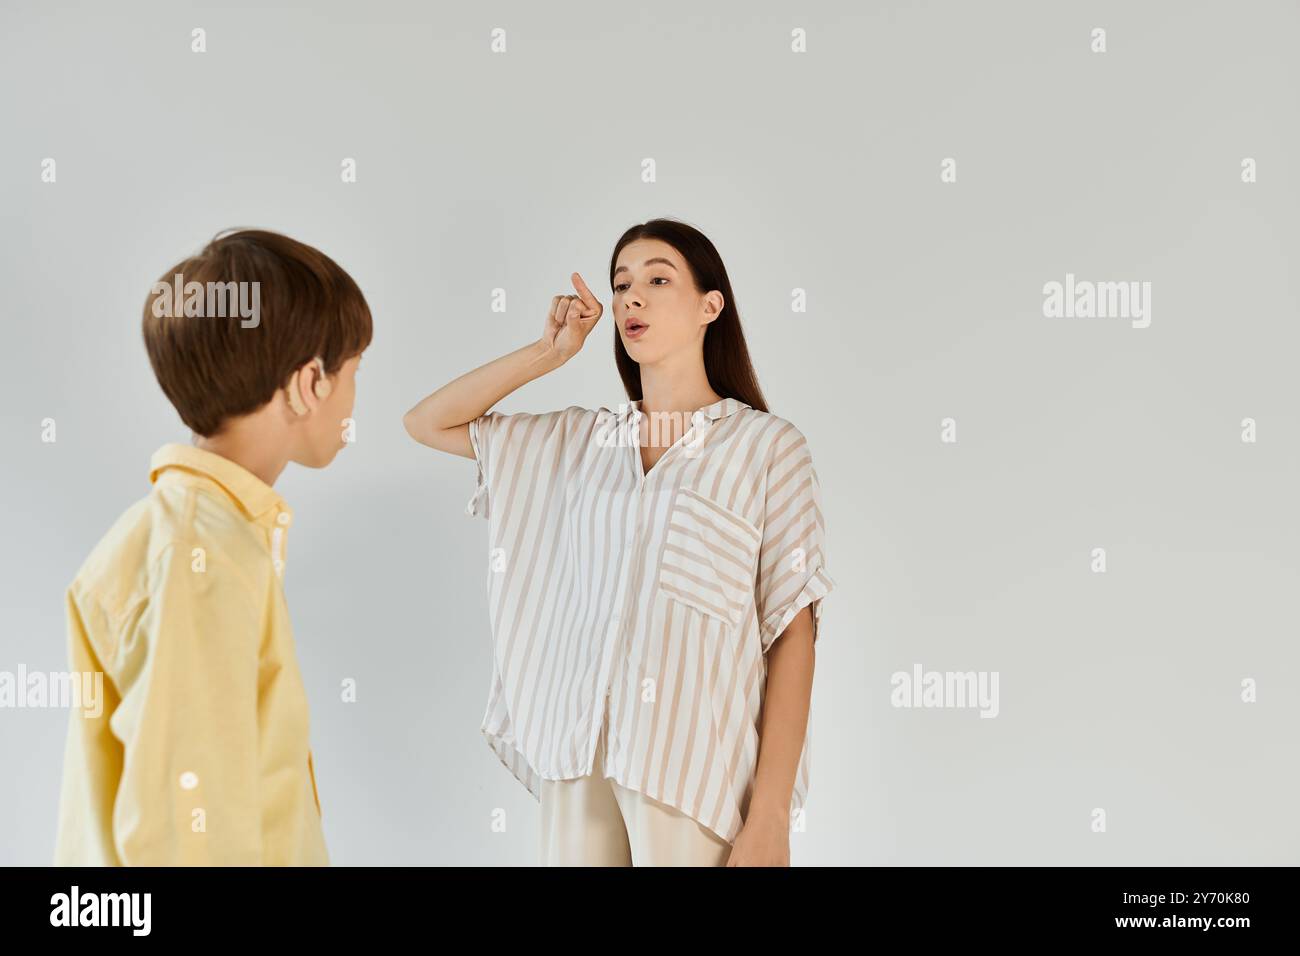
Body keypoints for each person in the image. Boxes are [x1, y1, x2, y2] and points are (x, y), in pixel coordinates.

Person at [404, 218, 834, 866]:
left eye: (658, 279)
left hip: (694, 777)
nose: (632, 298)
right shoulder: (576, 442)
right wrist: (548, 354)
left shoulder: (767, 449)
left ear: (709, 306)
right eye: (621, 284)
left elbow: (793, 634)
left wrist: (770, 816)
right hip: (578, 765)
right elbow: (426, 422)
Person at [54, 229, 372, 865]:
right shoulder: (203, 557)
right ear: (309, 382)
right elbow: (185, 830)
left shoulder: (196, 535)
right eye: (354, 372)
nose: (355, 396)